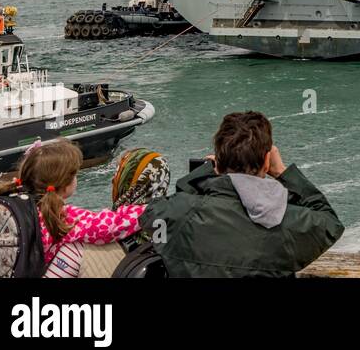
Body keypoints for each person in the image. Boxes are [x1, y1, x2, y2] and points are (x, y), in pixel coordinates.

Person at [140, 111, 343, 277]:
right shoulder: (286, 223)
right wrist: (282, 172)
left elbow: (159, 211)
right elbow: (330, 223)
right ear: (266, 162)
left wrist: (203, 174)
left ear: (218, 163)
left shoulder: (177, 213)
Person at [0, 139, 144, 278]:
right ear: (64, 184)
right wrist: (149, 210)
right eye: (74, 174)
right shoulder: (58, 215)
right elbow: (107, 226)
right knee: (78, 245)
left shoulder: (14, 199)